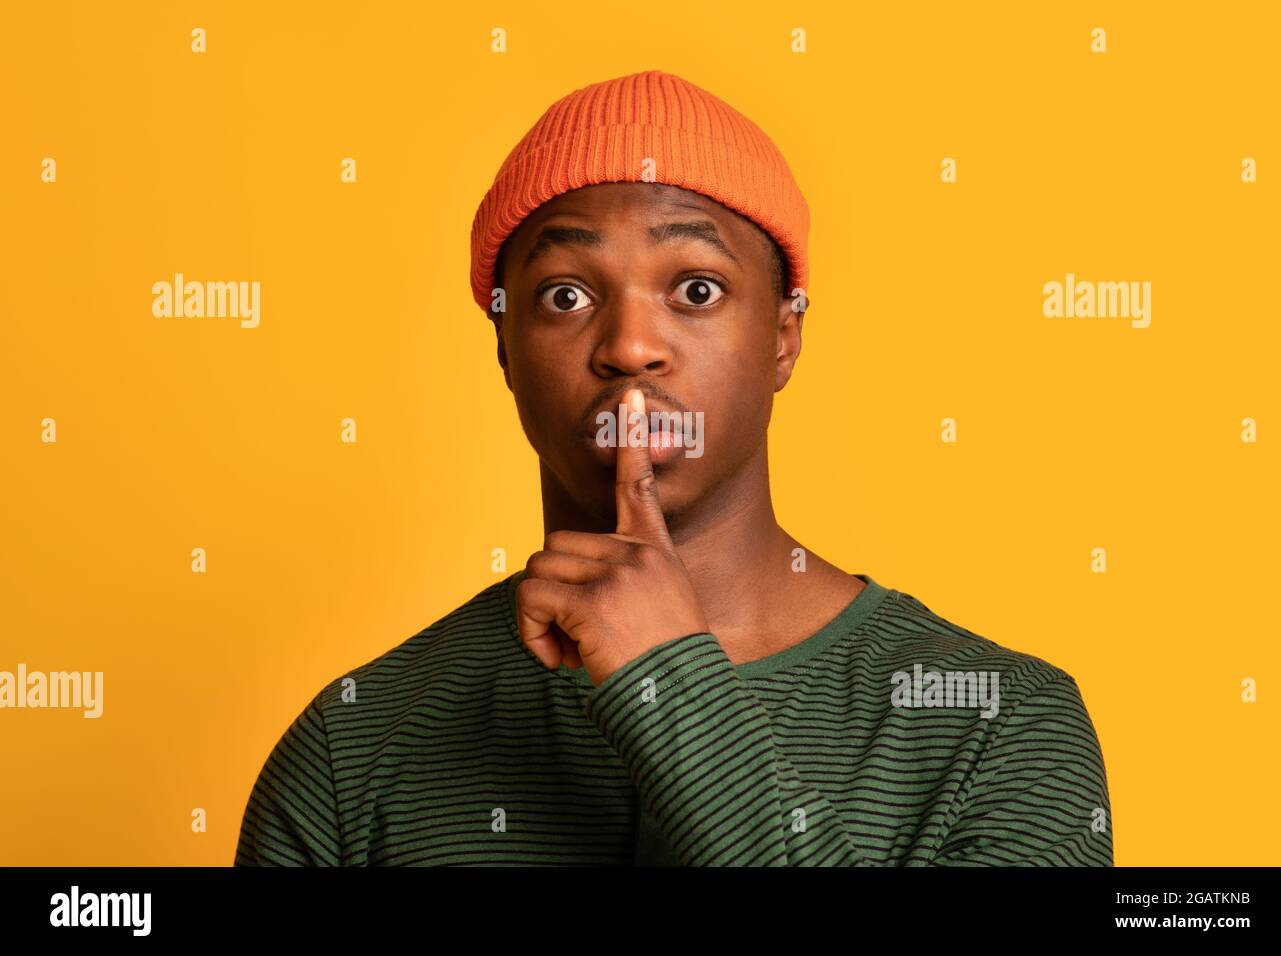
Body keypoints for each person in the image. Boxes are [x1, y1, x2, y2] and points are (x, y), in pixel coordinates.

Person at [235, 69, 1113, 866]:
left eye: (696, 288)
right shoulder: (351, 750)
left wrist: (669, 684)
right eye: (566, 295)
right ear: (504, 346)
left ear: (783, 335)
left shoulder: (999, 725)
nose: (629, 346)